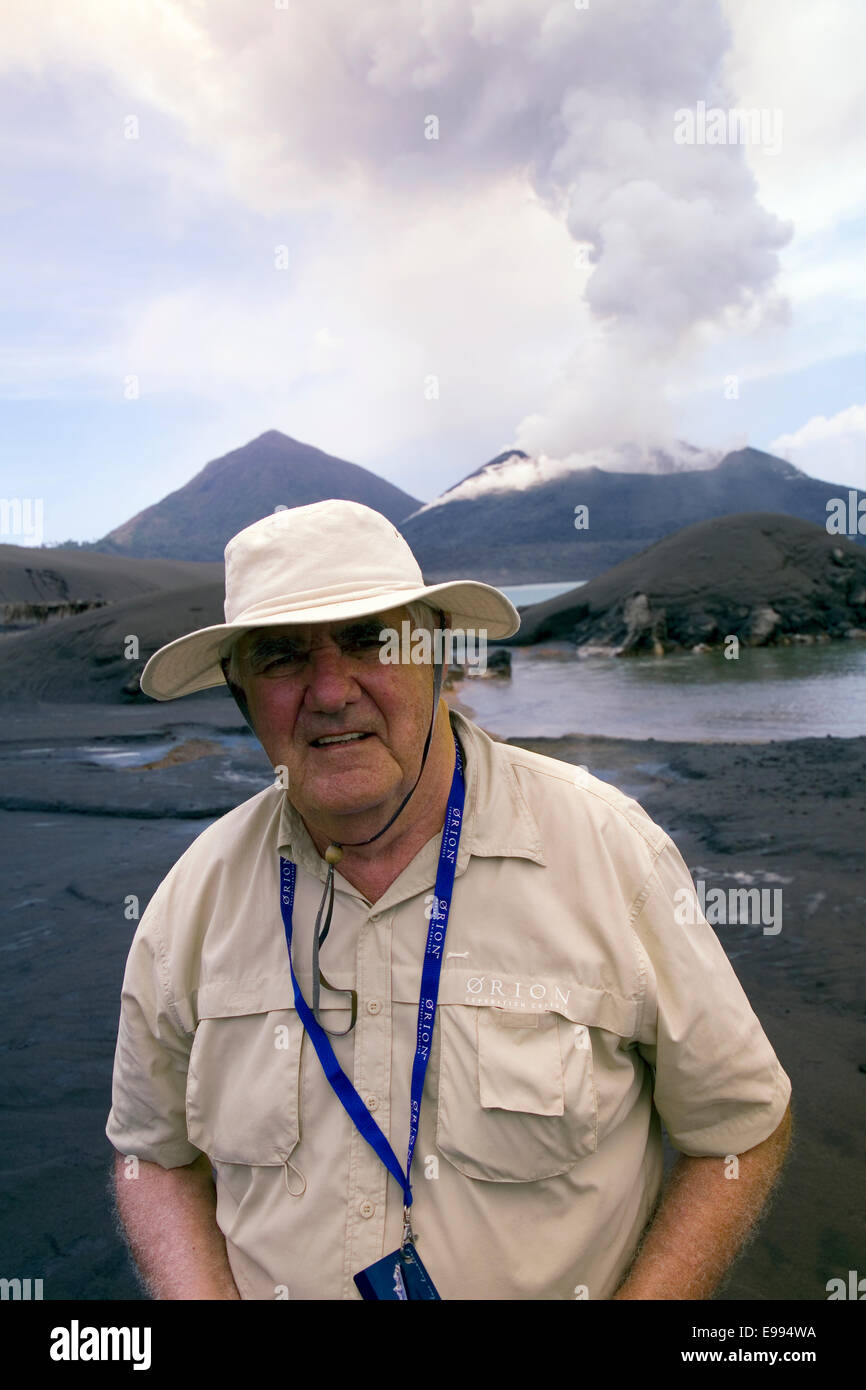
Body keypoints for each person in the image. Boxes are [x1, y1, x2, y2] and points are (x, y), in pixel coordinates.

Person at [106, 498, 792, 1301]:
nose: (330, 692)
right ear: (239, 691)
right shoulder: (191, 901)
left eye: (368, 639)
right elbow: (150, 1155)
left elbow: (739, 1130)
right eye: (282, 658)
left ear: (436, 655)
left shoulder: (609, 852)